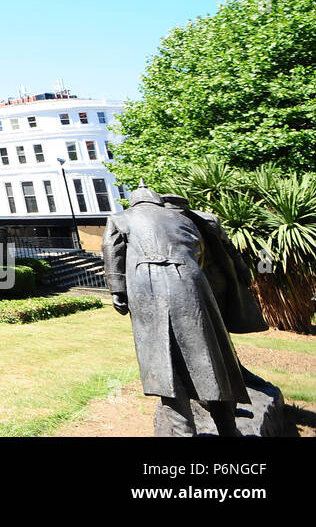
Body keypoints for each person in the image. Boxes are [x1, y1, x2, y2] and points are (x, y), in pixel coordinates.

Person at [102, 184, 250, 436]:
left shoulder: (120, 218)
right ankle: (228, 428)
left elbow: (111, 250)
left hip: (146, 286)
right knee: (210, 356)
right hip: (190, 283)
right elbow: (199, 247)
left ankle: (184, 433)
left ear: (133, 202)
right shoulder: (183, 217)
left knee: (162, 363)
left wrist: (117, 291)